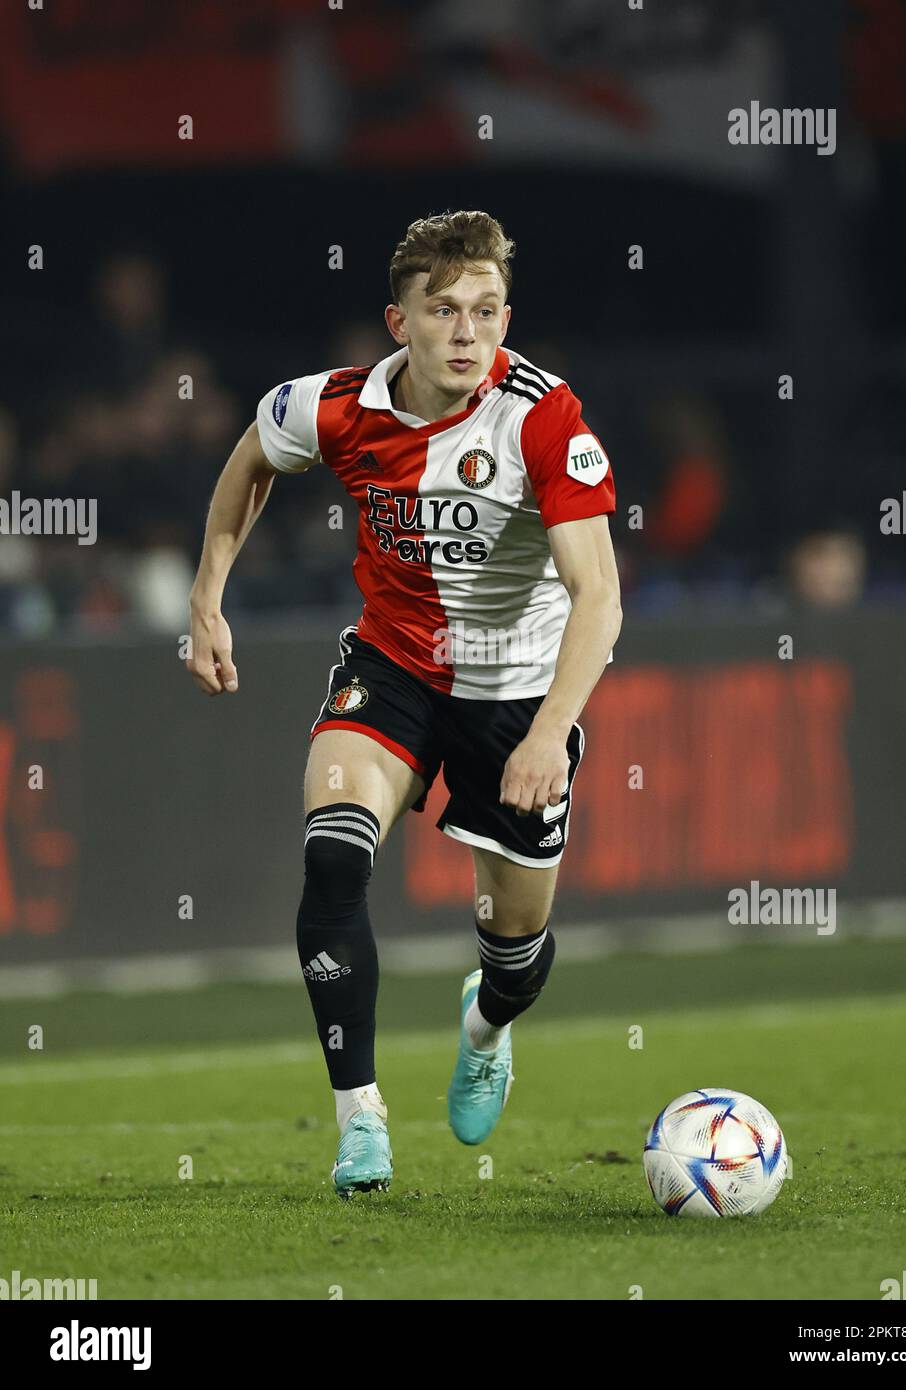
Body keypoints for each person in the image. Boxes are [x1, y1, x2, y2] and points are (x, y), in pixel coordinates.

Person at [186, 210, 622, 1197]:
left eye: (484, 312)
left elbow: (598, 597)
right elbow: (251, 459)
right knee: (333, 855)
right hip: (390, 669)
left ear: (505, 318)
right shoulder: (332, 406)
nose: (467, 334)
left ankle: (485, 1025)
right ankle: (359, 1119)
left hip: (513, 694)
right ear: (399, 322)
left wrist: (550, 732)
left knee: (514, 951)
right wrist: (206, 597)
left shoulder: (542, 419)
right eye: (443, 311)